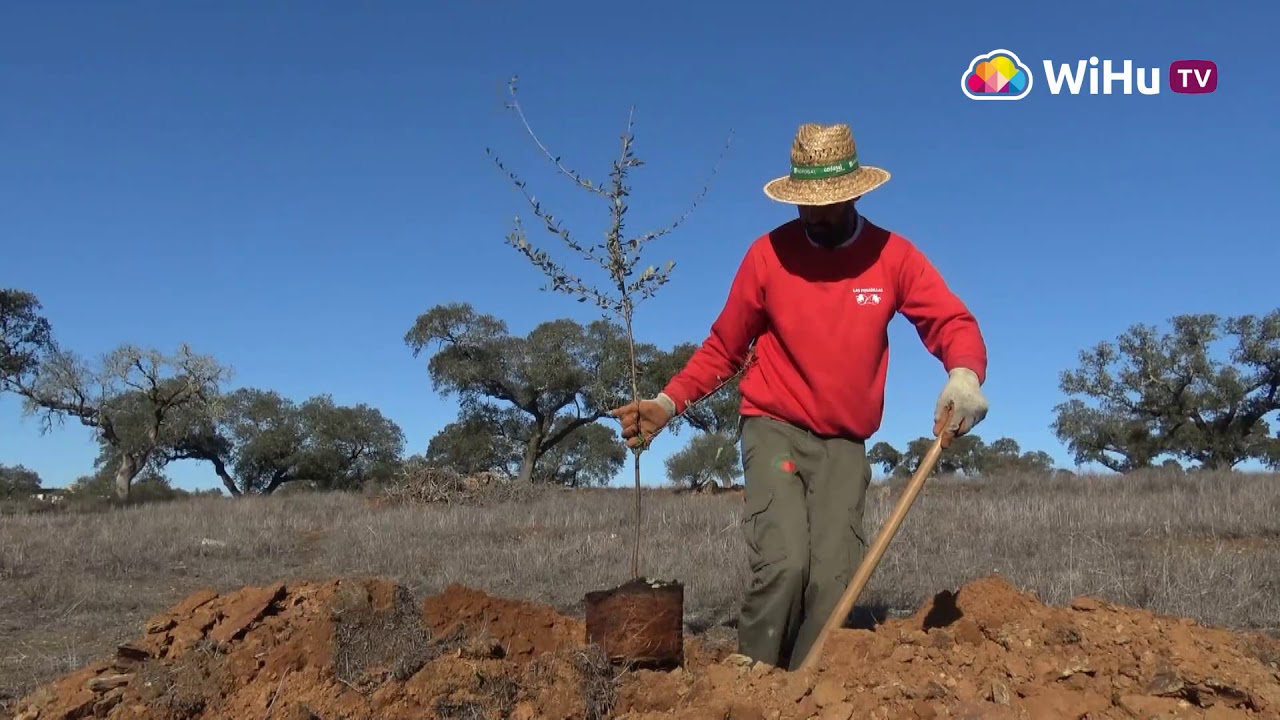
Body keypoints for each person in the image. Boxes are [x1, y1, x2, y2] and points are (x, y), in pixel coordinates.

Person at [609, 122, 990, 671]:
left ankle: (806, 687)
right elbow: (724, 345)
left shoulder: (893, 256)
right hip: (774, 424)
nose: (815, 216)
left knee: (836, 579)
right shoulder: (768, 256)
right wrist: (668, 405)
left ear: (855, 192)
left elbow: (951, 321)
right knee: (785, 563)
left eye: (828, 205)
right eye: (806, 204)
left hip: (845, 439)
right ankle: (751, 682)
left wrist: (964, 375)